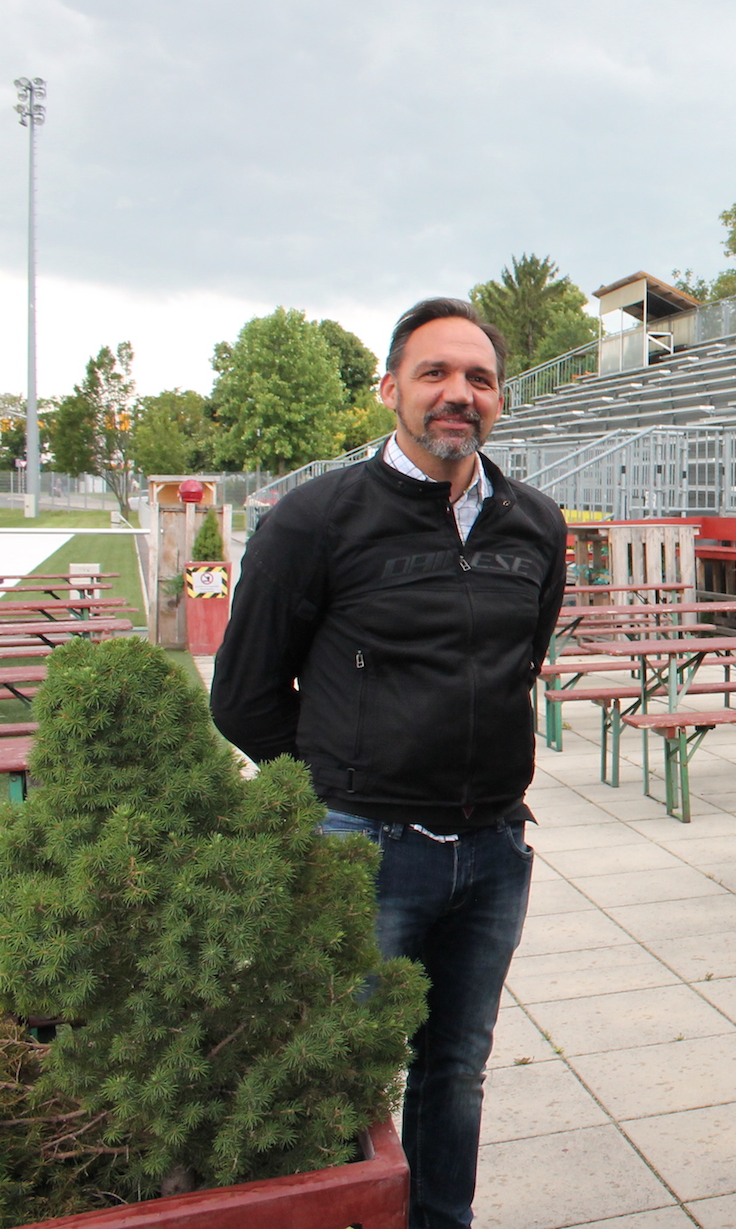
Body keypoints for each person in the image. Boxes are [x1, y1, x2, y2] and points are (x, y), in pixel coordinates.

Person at [211, 297, 566, 1229]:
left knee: (456, 1069)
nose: (459, 394)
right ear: (391, 389)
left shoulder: (535, 525)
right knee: (344, 1070)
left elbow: (518, 662)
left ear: (501, 400)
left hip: (493, 852)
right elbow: (243, 697)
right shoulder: (314, 521)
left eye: (479, 378)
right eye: (435, 374)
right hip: (362, 849)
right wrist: (345, 789)